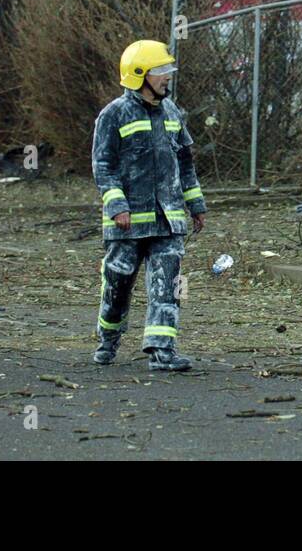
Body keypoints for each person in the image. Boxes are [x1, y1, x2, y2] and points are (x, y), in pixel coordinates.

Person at [91, 39, 207, 371]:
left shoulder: (172, 113)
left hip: (168, 221)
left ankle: (162, 351)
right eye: (160, 72)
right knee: (118, 282)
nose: (167, 78)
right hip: (126, 225)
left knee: (166, 283)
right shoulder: (113, 115)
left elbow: (185, 164)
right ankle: (108, 339)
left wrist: (195, 205)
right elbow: (103, 166)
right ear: (139, 75)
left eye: (168, 71)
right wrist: (117, 206)